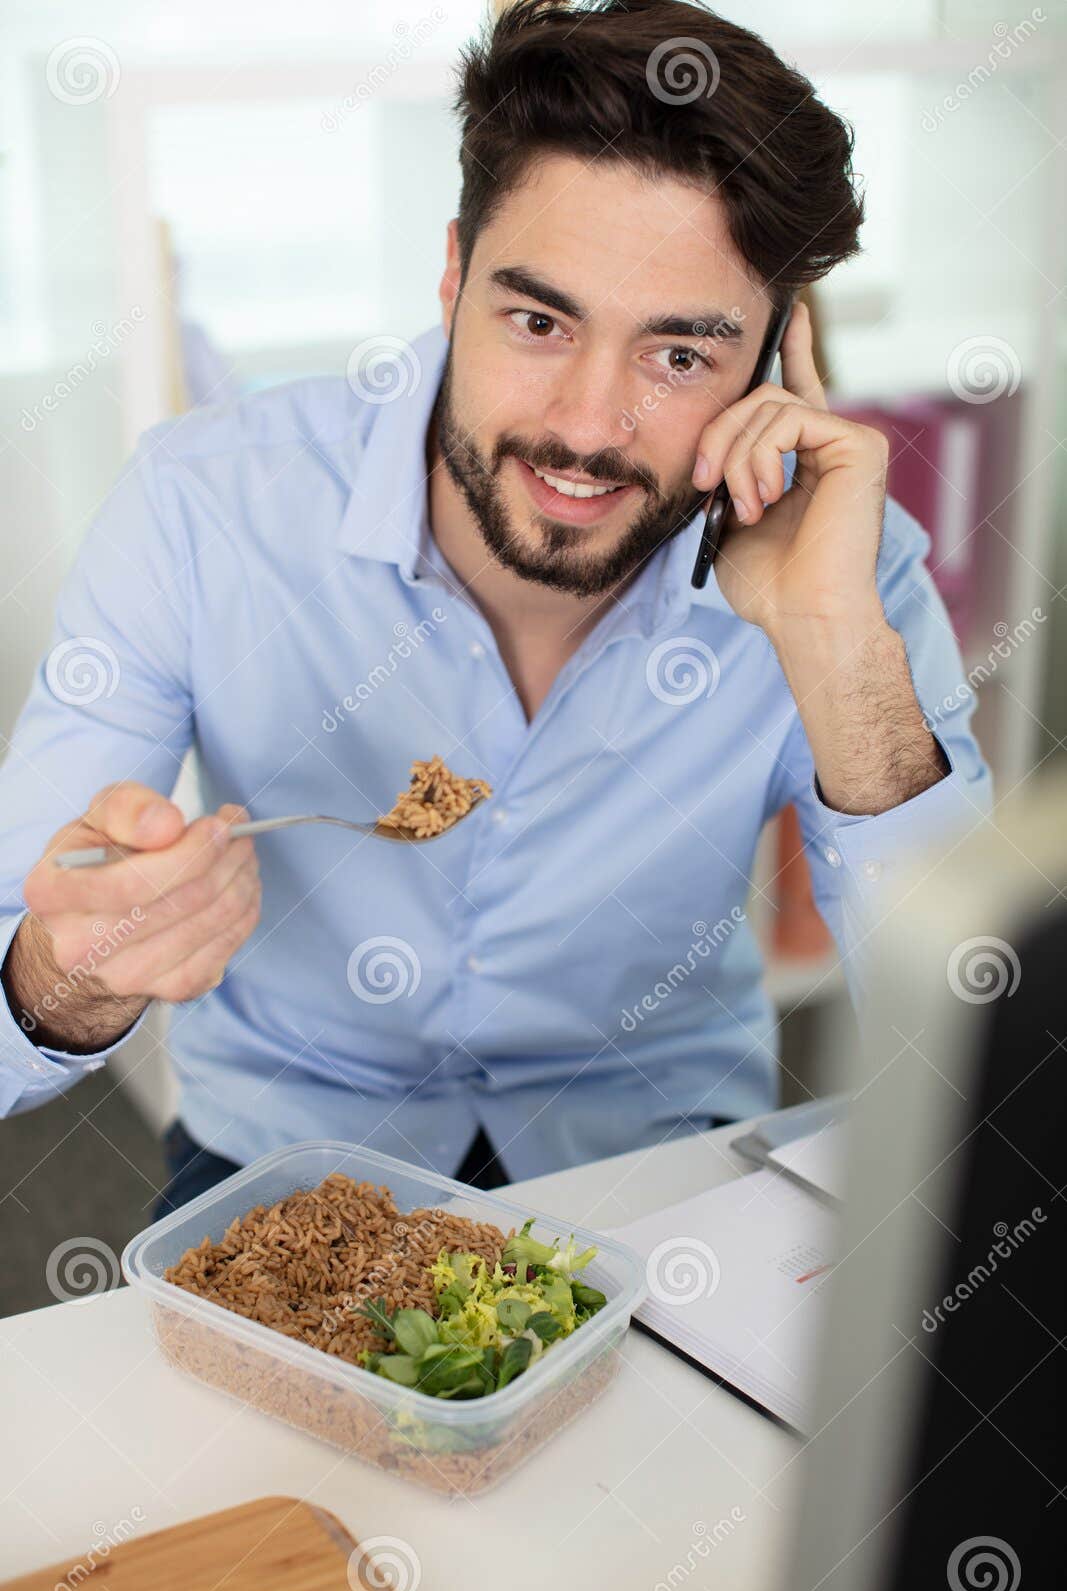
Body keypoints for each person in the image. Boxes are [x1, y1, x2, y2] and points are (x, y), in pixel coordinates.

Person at [0, 1, 990, 1217]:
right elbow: (12, 1001)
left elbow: (972, 1028)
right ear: (454, 273)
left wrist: (834, 649)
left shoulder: (844, 564)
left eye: (677, 356)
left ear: (776, 359)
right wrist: (72, 971)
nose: (584, 425)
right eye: (537, 320)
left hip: (658, 1159)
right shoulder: (203, 504)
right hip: (287, 1162)